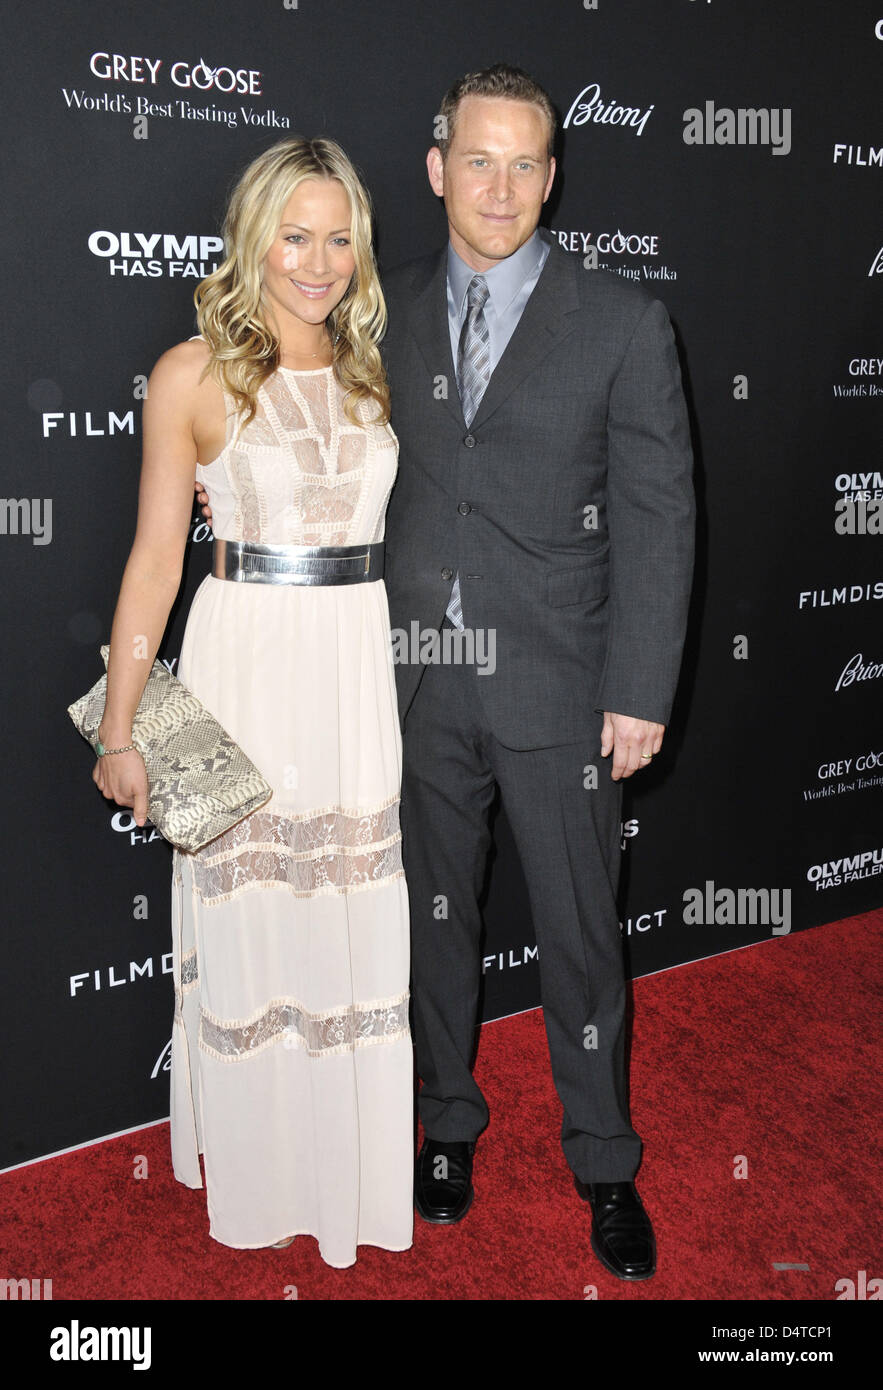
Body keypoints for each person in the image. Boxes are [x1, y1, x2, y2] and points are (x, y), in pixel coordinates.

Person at [198, 64, 695, 1283]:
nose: (502, 186)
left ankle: (604, 1159)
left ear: (552, 175)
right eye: (480, 158)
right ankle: (446, 1124)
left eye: (528, 162)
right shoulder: (380, 314)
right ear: (435, 169)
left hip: (561, 682)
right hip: (402, 683)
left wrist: (638, 687)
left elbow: (658, 511)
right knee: (430, 925)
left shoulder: (623, 320)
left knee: (581, 935)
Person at [94, 137, 413, 1268]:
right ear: (252, 238)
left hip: (351, 669)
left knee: (345, 920)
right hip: (245, 662)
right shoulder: (192, 376)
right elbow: (151, 565)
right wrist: (124, 726)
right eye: (294, 234)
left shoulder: (377, 369)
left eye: (338, 238)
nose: (316, 261)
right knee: (249, 927)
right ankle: (265, 1172)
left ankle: (344, 1169)